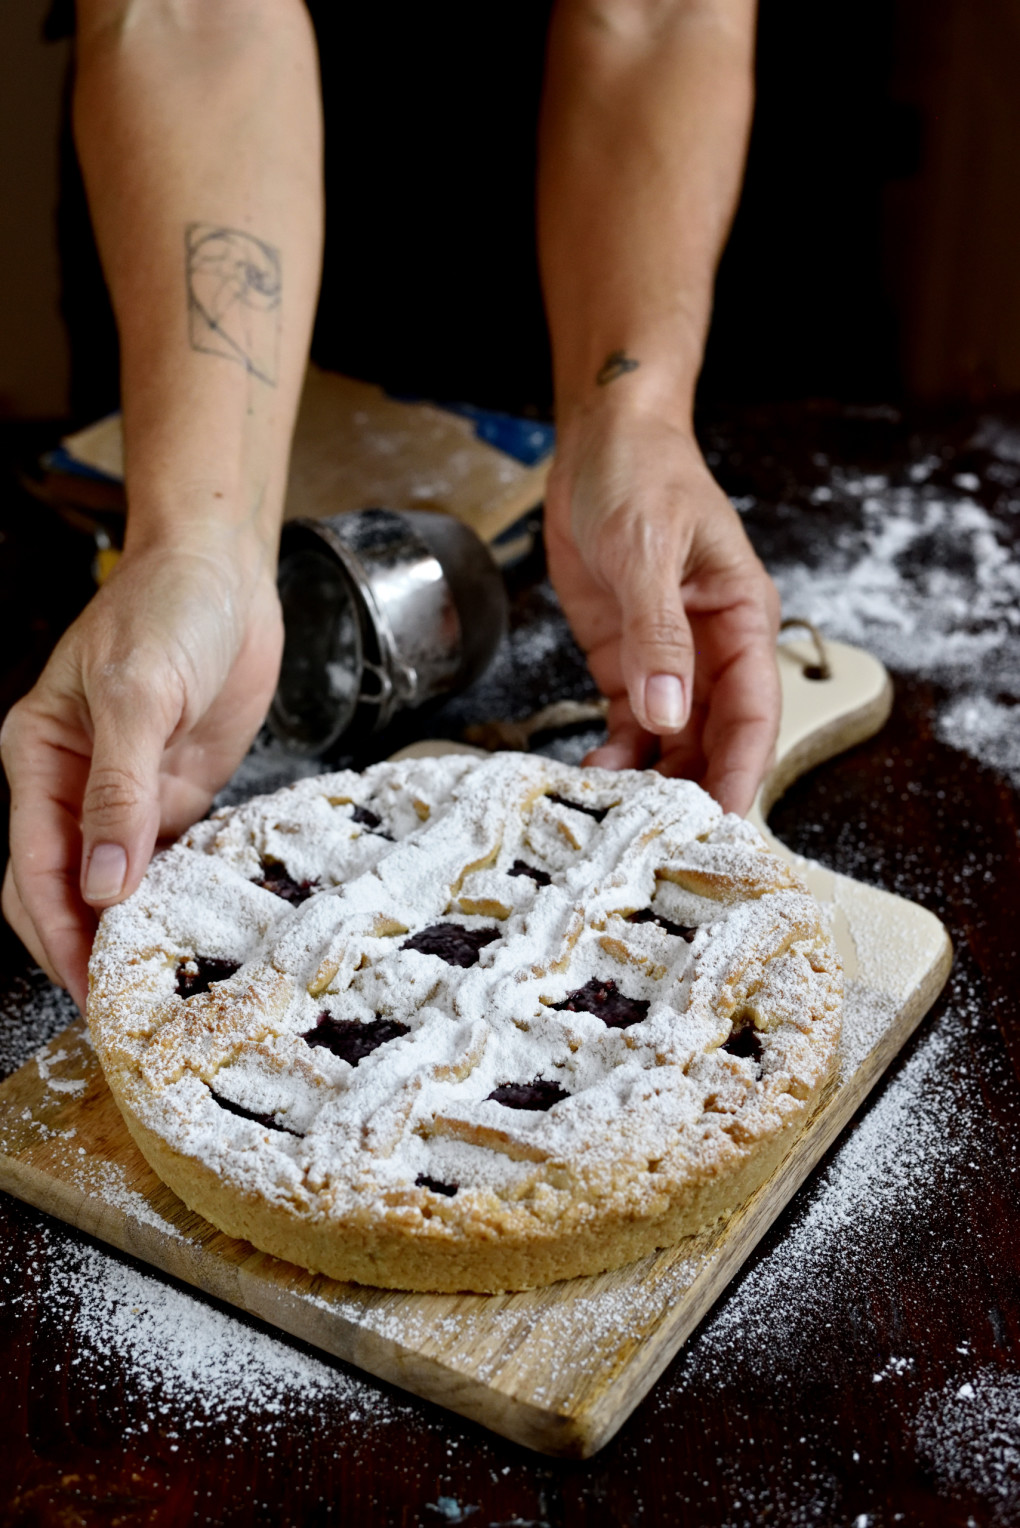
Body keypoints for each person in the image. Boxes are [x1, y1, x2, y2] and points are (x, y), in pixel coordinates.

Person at [1, 0, 780, 1013]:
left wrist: (630, 415)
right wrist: (200, 541)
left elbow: (655, 16)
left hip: (608, 201)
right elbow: (197, 17)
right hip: (203, 208)